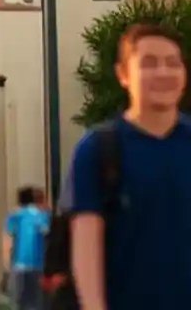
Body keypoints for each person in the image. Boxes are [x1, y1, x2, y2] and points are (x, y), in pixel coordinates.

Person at [66, 23, 191, 310]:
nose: (163, 73)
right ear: (123, 74)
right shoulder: (98, 149)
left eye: (173, 64)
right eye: (149, 63)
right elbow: (86, 246)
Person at [3, 186, 48, 310]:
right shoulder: (43, 216)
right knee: (37, 303)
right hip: (38, 264)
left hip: (18, 265)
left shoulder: (14, 215)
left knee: (18, 303)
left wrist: (7, 265)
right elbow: (47, 238)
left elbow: (8, 241)